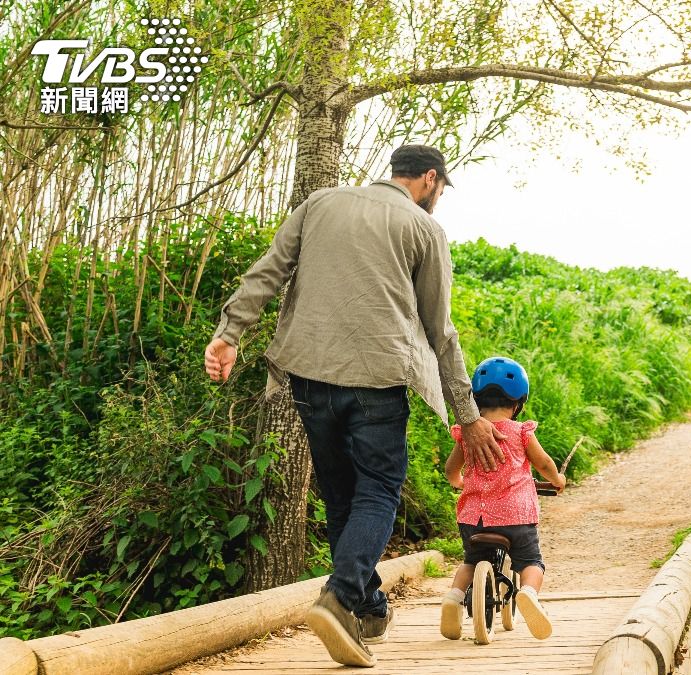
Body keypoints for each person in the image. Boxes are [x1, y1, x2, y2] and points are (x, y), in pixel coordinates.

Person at [202, 145, 508, 668]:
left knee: (342, 496)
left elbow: (268, 272)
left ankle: (366, 608)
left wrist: (230, 334)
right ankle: (341, 596)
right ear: (430, 180)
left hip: (309, 376)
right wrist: (468, 415)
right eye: (439, 189)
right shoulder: (424, 229)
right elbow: (441, 332)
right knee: (379, 491)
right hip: (377, 379)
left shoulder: (320, 203)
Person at [440, 357, 566, 641]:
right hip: (517, 517)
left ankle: (453, 598)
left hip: (475, 518)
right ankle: (529, 594)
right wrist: (557, 480)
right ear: (518, 403)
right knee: (531, 561)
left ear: (475, 399)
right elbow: (543, 463)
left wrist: (459, 483)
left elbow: (451, 469)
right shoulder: (521, 432)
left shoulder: (468, 435)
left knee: (471, 561)